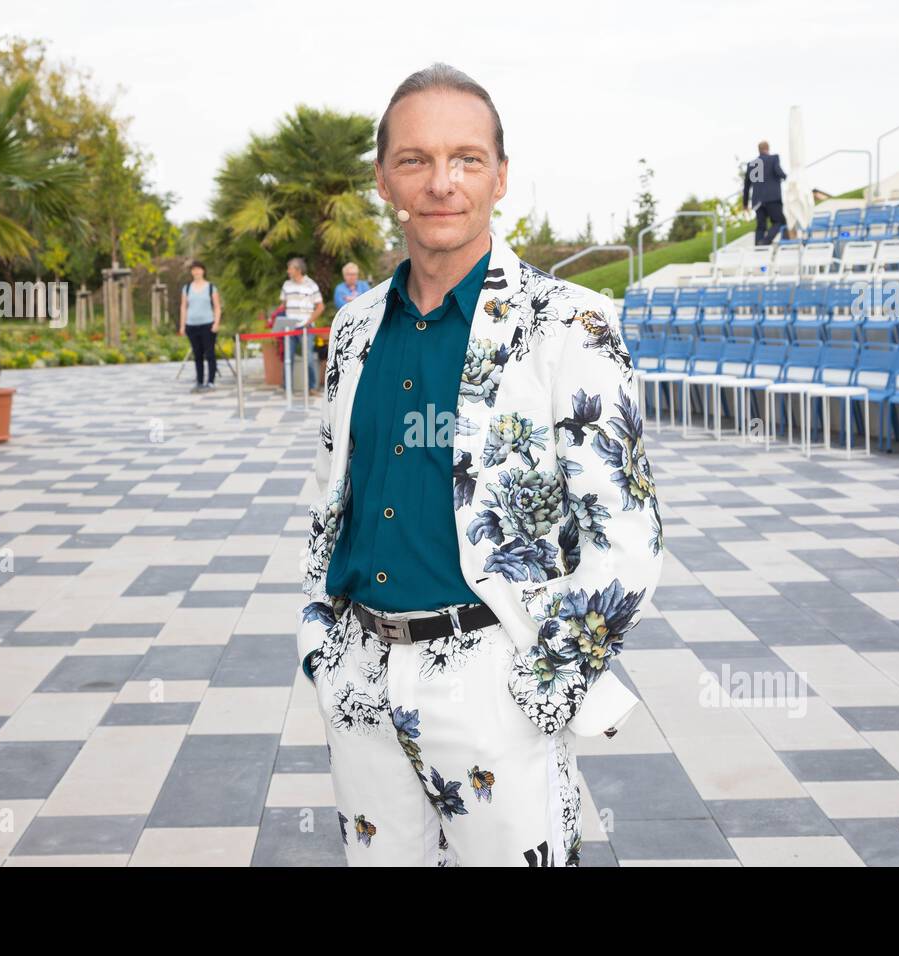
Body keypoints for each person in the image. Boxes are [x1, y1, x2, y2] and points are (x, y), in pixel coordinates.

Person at [295, 63, 663, 867]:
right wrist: (323, 649)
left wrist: (542, 688)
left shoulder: (571, 325)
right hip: (360, 679)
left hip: (496, 680)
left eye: (465, 159)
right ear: (385, 179)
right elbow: (332, 499)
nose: (441, 183)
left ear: (500, 176)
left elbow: (627, 536)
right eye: (415, 159)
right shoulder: (353, 329)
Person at [280, 257, 324, 393]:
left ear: (298, 270)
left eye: (290, 268)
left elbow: (320, 307)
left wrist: (308, 322)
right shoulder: (286, 285)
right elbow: (283, 305)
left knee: (309, 357)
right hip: (289, 326)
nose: (288, 271)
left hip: (306, 326)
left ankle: (312, 387)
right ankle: (287, 387)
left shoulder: (311, 285)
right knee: (288, 357)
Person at [179, 259, 222, 392]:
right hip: (192, 325)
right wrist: (182, 325)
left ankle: (210, 381)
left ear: (203, 271)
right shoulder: (187, 288)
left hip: (208, 325)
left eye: (198, 269)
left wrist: (216, 322)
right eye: (194, 270)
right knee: (197, 354)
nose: (196, 272)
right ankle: (199, 381)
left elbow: (217, 307)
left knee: (209, 354)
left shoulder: (211, 287)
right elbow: (183, 307)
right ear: (191, 272)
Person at [743, 140, 788, 245]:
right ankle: (765, 242)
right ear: (768, 148)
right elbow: (779, 172)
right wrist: (787, 177)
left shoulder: (752, 164)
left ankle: (758, 251)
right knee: (780, 222)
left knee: (760, 227)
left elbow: (746, 186)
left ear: (759, 150)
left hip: (757, 201)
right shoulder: (773, 158)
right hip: (772, 198)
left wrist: (745, 204)